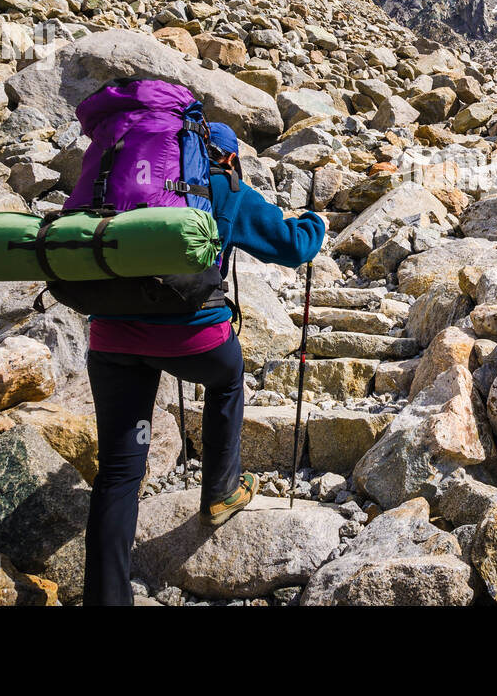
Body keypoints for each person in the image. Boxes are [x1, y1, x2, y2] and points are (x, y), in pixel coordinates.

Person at [81, 123, 325, 606]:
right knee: (227, 378)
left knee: (118, 473)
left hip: (111, 335)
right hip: (191, 336)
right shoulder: (220, 185)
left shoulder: (123, 182)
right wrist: (314, 221)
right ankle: (220, 492)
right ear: (227, 158)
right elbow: (293, 246)